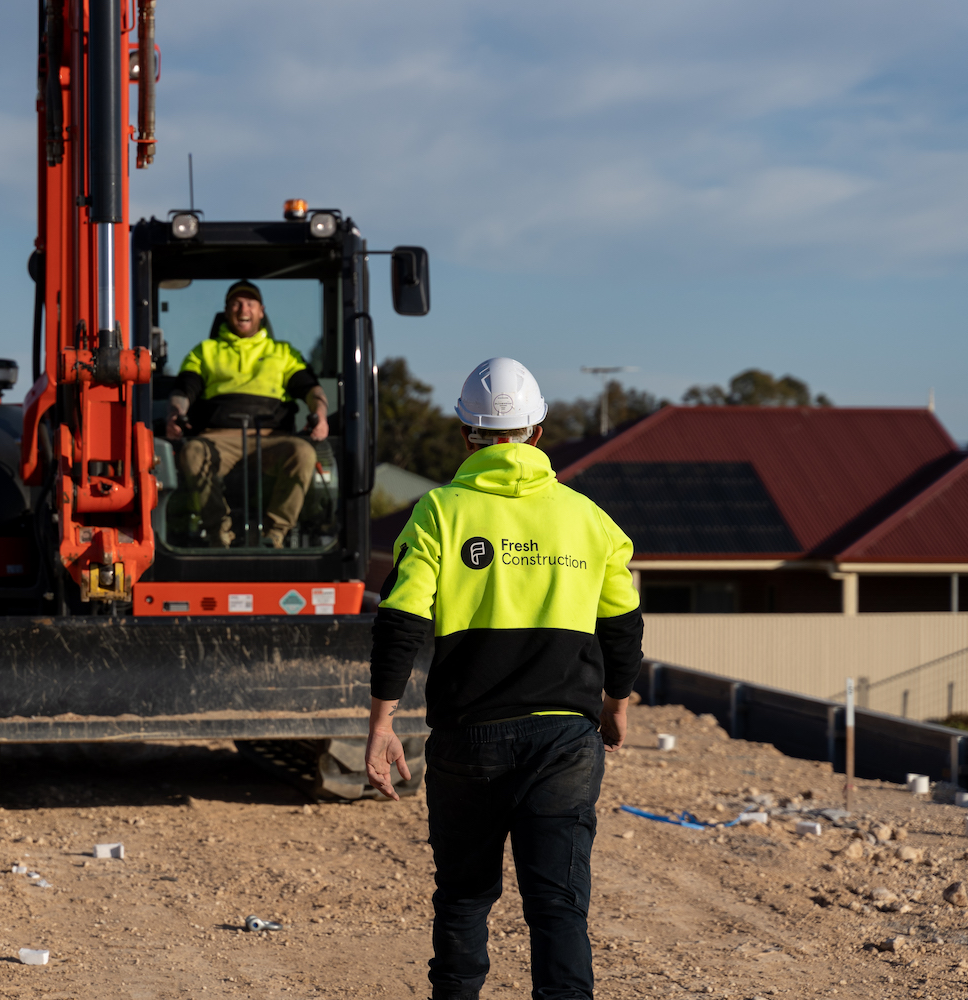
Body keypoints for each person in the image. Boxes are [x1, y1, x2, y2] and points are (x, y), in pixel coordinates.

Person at [364, 357, 643, 1000]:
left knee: (463, 898)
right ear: (538, 432)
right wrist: (616, 704)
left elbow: (399, 624)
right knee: (558, 907)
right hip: (564, 741)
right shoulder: (590, 521)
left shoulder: (439, 513)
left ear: (467, 434)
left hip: (470, 740)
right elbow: (624, 627)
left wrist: (382, 724)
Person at [166, 280, 330, 548]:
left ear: (261, 311)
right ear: (226, 310)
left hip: (272, 438)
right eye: (236, 303)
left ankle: (274, 534)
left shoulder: (284, 353)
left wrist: (320, 415)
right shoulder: (205, 351)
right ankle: (220, 533)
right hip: (218, 438)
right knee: (193, 452)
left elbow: (312, 391)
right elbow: (184, 391)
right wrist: (176, 413)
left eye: (250, 303)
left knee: (303, 453)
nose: (243, 309)